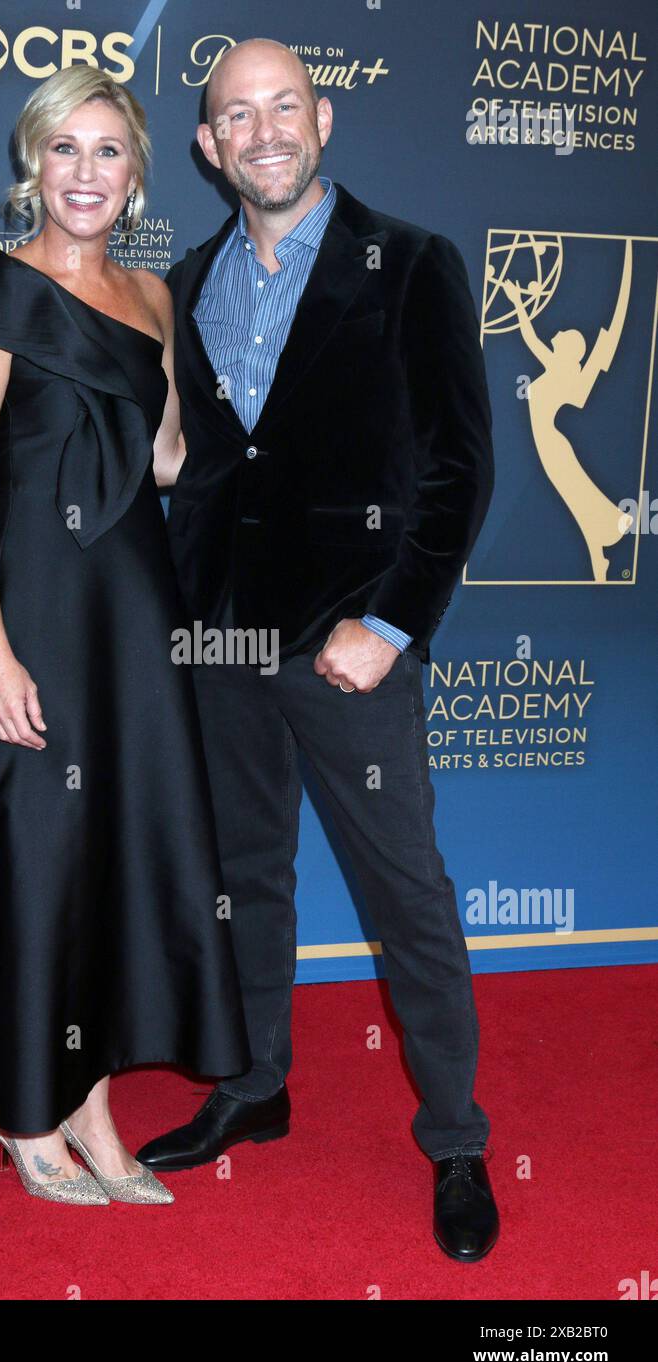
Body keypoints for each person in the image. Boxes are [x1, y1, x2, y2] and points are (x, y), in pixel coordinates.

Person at [136, 38, 500, 1261]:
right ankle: (256, 1084)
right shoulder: (185, 283)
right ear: (207, 145)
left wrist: (390, 623)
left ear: (323, 117)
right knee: (242, 874)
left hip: (353, 648)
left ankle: (454, 1136)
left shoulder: (411, 264)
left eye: (283, 104)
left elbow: (458, 468)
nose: (263, 129)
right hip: (224, 640)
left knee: (405, 895)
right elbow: (199, 470)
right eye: (235, 114)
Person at [0, 65, 251, 1206]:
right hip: (38, 613)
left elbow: (166, 460)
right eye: (64, 149)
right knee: (40, 853)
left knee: (114, 859)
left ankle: (89, 1097)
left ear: (139, 174)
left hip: (134, 621)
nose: (86, 173)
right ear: (30, 167)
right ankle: (25, 1107)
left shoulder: (154, 298)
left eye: (108, 152)